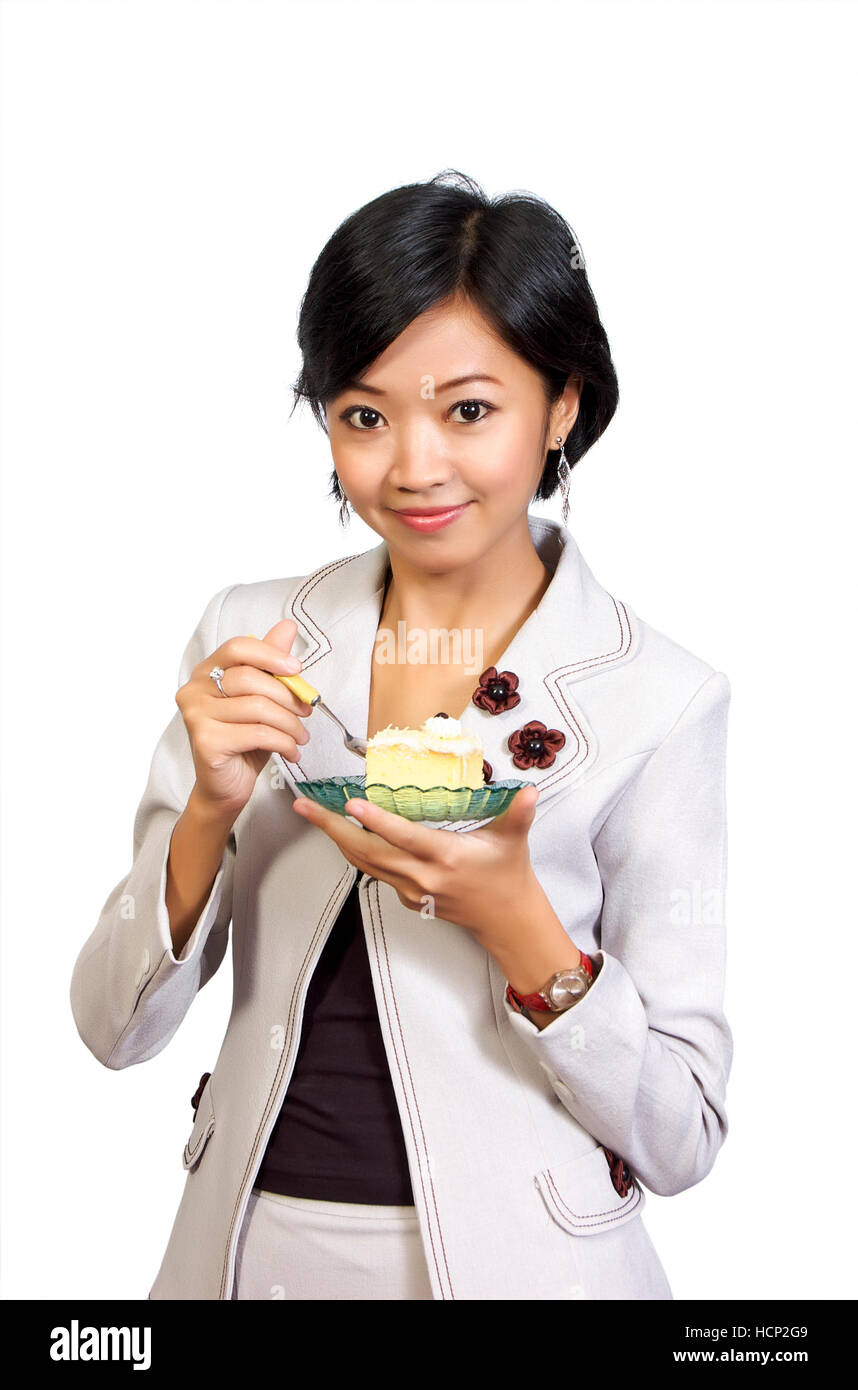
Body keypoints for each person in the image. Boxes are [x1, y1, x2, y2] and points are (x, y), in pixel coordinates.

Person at [70, 170, 733, 1301]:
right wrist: (207, 816)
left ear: (563, 404)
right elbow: (109, 1027)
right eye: (365, 415)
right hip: (247, 1252)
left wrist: (520, 925)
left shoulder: (659, 698)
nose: (413, 467)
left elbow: (683, 1135)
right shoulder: (251, 638)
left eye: (469, 410)